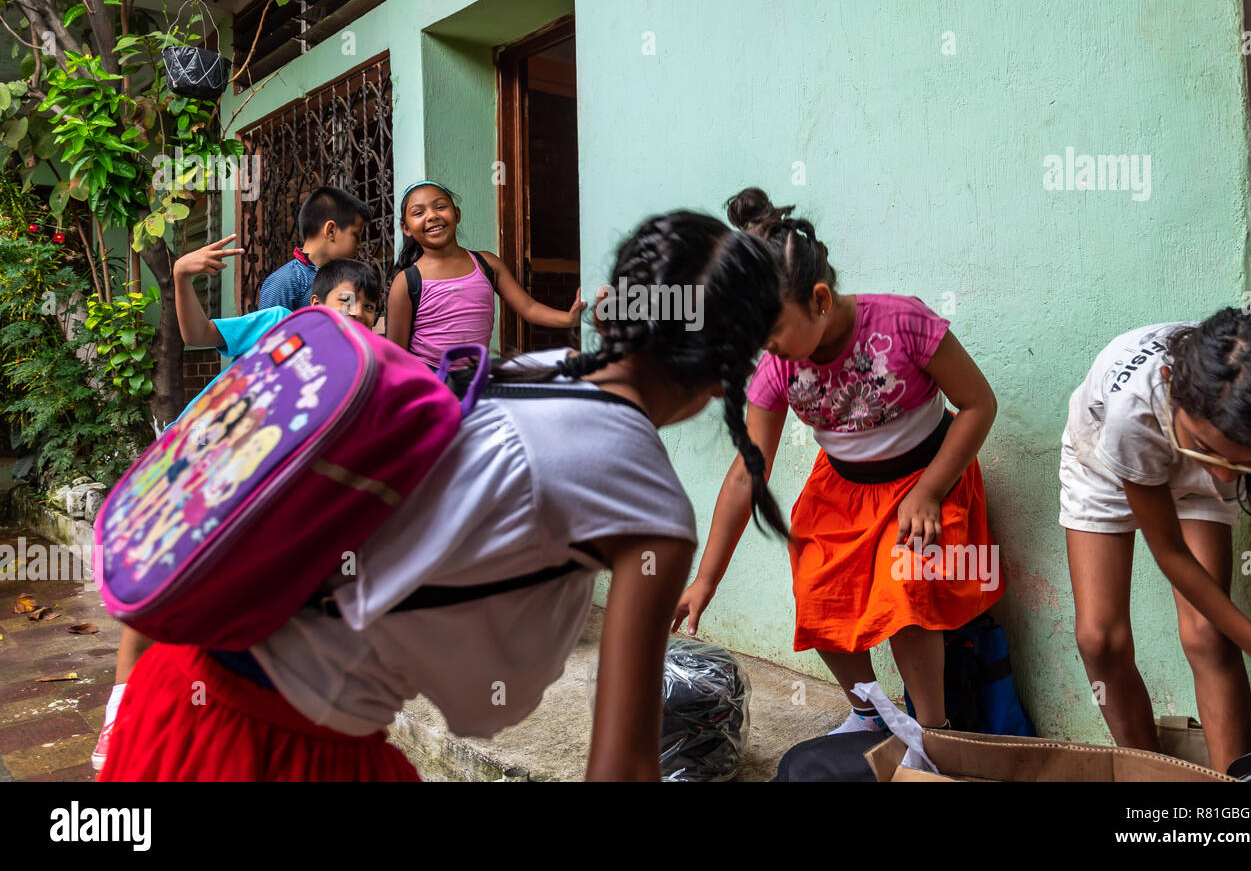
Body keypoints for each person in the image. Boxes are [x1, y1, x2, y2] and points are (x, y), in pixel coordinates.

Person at [97, 210, 788, 782]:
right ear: (730, 374)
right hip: (292, 754)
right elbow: (625, 768)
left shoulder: (513, 372)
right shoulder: (655, 514)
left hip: (170, 701)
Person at [674, 189, 1005, 734]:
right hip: (843, 491)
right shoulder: (777, 370)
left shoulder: (904, 324)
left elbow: (978, 404)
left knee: (906, 590)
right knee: (818, 592)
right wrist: (706, 579)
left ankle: (932, 729)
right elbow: (744, 473)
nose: (767, 349)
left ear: (821, 300)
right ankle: (869, 713)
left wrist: (928, 491)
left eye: (772, 332)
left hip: (928, 480)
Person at [93, 243, 381, 773]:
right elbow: (198, 336)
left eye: (369, 307)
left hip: (252, 494)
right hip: (198, 463)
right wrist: (180, 276)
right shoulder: (278, 323)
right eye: (348, 302)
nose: (360, 314)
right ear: (314, 304)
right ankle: (119, 714)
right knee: (157, 591)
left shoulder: (361, 371)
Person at [1061, 308, 1251, 772]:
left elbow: (1221, 462)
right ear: (1169, 379)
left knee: (1208, 633)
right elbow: (1170, 552)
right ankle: (1148, 776)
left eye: (1247, 463)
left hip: (1204, 433)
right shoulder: (1134, 412)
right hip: (1106, 464)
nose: (1224, 477)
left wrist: (1218, 455)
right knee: (1098, 640)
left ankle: (1233, 795)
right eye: (1214, 455)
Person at [385, 181, 584, 368]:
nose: (432, 216)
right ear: (406, 228)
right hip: (430, 380)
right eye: (418, 212)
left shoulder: (486, 264)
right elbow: (396, 355)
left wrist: (569, 319)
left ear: (457, 214)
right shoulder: (407, 281)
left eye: (440, 207)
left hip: (478, 378)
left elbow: (529, 308)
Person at [257, 186, 372, 311]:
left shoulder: (348, 280)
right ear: (331, 230)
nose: (360, 245)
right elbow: (272, 330)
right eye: (356, 235)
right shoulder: (284, 281)